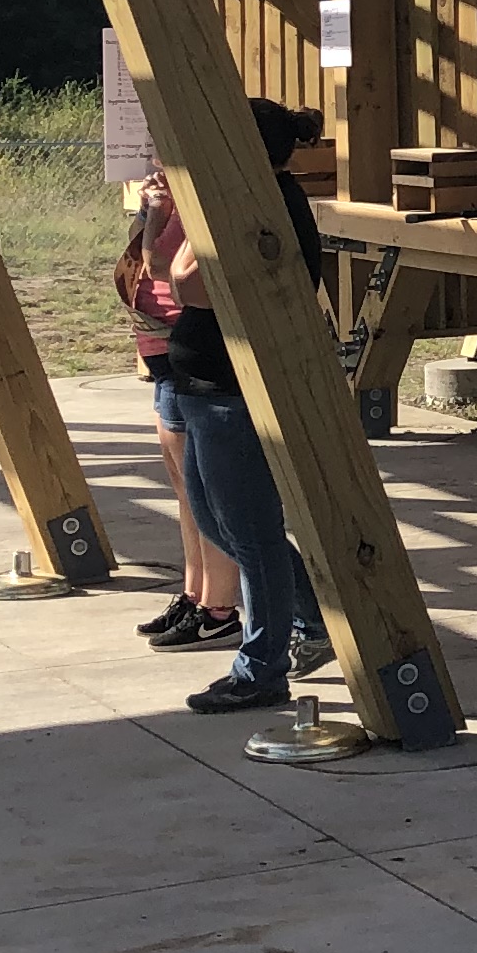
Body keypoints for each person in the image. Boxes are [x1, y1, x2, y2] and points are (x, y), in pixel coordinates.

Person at [154, 101, 337, 711]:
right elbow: (169, 267)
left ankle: (260, 667)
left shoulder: (266, 206)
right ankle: (313, 620)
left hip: (237, 391)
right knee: (215, 522)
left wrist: (188, 233)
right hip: (203, 387)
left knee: (253, 533)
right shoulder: (234, 203)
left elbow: (188, 282)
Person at [114, 172, 243, 651]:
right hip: (158, 344)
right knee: (183, 486)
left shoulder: (198, 198)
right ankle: (193, 593)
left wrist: (159, 215)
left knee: (203, 488)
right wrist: (148, 208)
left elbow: (161, 263)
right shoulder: (168, 197)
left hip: (183, 344)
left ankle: (220, 607)